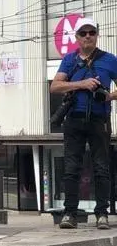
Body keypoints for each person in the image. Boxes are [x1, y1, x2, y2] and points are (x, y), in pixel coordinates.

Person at [49, 16, 117, 230]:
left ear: (97, 35)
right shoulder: (70, 59)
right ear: (76, 37)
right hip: (74, 119)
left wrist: (109, 96)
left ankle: (102, 214)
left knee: (101, 168)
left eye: (91, 32)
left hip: (99, 119)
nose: (88, 36)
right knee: (71, 168)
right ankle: (70, 213)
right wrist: (82, 84)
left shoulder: (109, 59)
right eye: (83, 33)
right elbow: (55, 86)